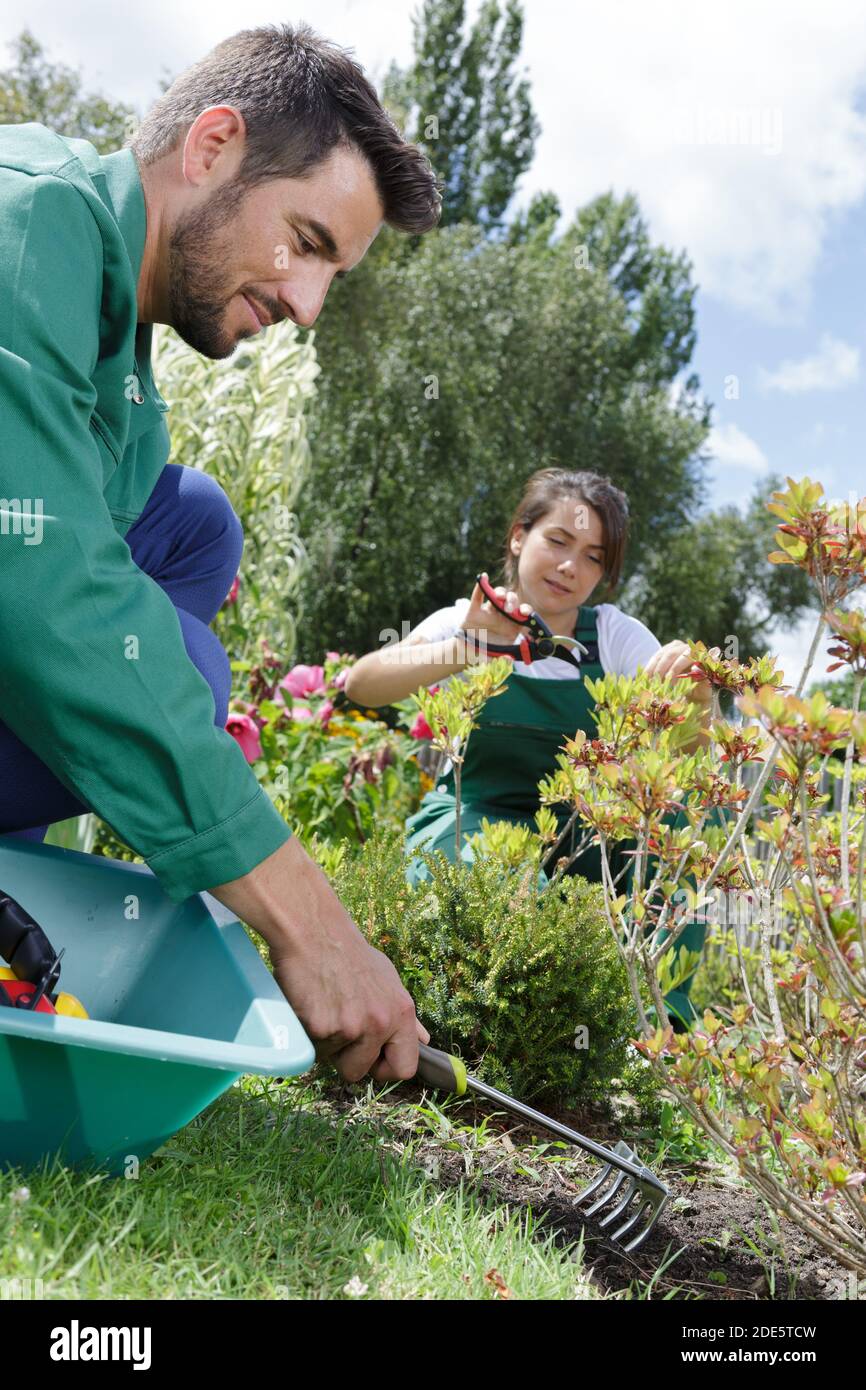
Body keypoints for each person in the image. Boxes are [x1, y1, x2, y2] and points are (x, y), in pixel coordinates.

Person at [0, 23, 443, 1084]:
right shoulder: (31, 221)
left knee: (192, 519)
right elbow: (46, 585)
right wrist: (308, 920)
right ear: (210, 147)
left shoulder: (128, 374)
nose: (305, 304)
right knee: (183, 666)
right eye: (305, 241)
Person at [345, 468, 720, 1027]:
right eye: (558, 542)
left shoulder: (613, 636)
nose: (571, 567)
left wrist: (697, 695)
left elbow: (693, 758)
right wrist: (474, 645)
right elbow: (362, 684)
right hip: (470, 822)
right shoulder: (466, 620)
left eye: (594, 557)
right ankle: (536, 1027)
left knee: (689, 825)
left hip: (587, 837)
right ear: (519, 538)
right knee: (518, 895)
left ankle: (658, 1029)